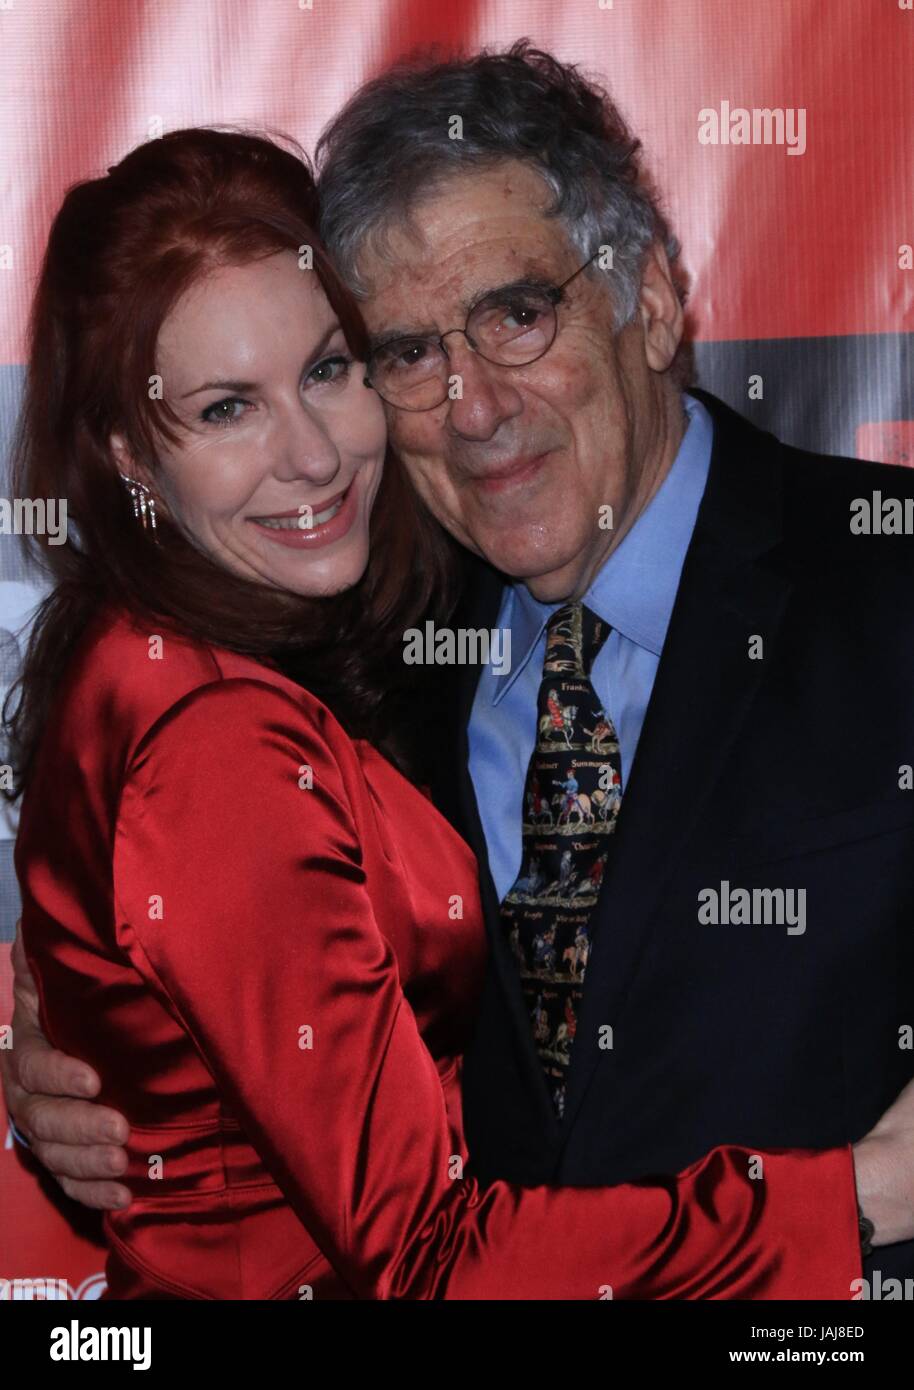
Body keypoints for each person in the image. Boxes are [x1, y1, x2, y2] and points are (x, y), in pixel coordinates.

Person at [4, 95, 914, 1292]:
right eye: (407, 352)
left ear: (646, 301)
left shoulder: (884, 580)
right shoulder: (368, 642)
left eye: (516, 316)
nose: (469, 406)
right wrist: (100, 1060)